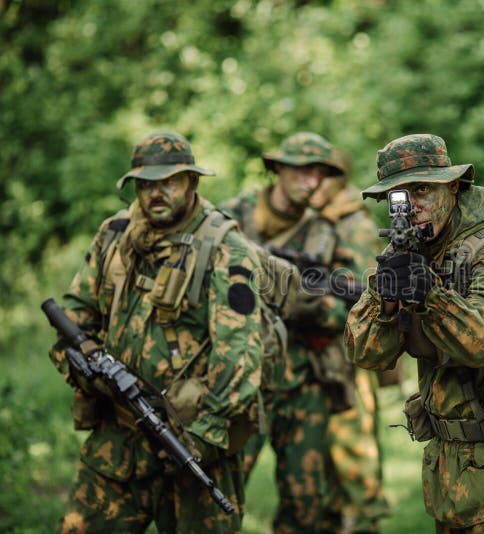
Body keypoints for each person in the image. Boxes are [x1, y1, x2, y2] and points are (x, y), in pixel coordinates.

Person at [346, 133, 484, 532]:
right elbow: (366, 355)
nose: (411, 208)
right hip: (450, 474)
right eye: (398, 197)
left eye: (422, 190)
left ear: (452, 186)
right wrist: (388, 302)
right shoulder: (411, 252)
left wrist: (428, 294)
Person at [48, 131, 265, 532]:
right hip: (118, 439)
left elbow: (240, 355)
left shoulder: (225, 249)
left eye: (169, 182)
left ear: (192, 181)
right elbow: (76, 312)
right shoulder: (115, 235)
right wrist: (80, 366)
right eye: (146, 184)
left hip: (194, 445)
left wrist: (204, 436)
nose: (156, 194)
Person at [220, 131, 351, 533]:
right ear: (277, 169)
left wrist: (311, 309)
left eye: (320, 174)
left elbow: (349, 304)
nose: (312, 182)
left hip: (301, 383)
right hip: (238, 380)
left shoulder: (324, 234)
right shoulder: (228, 219)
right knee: (217, 493)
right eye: (303, 171)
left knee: (307, 504)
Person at [308, 148, 391, 533]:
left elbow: (370, 292)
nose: (312, 184)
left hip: (351, 355)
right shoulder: (322, 220)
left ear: (338, 179)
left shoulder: (353, 224)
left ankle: (364, 521)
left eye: (321, 176)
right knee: (328, 456)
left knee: (355, 450)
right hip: (326, 353)